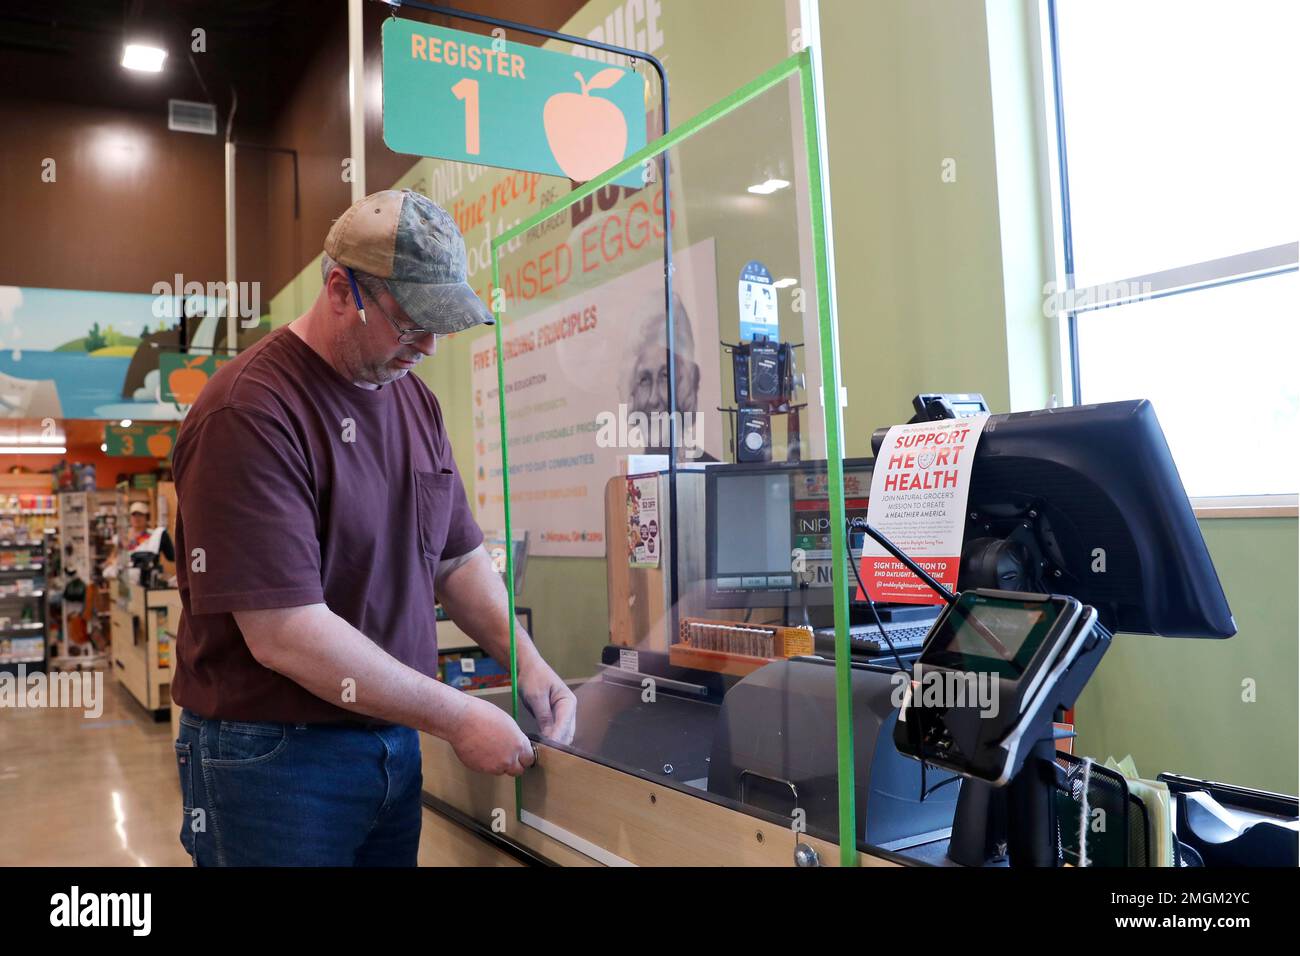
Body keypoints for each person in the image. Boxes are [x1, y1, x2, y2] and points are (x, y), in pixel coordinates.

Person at [170, 188, 576, 867]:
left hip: (392, 741)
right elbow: (285, 633)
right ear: (339, 288)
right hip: (273, 762)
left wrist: (527, 662)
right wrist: (454, 715)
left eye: (443, 327)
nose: (429, 346)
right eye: (412, 322)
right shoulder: (249, 414)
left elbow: (458, 559)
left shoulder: (412, 398)